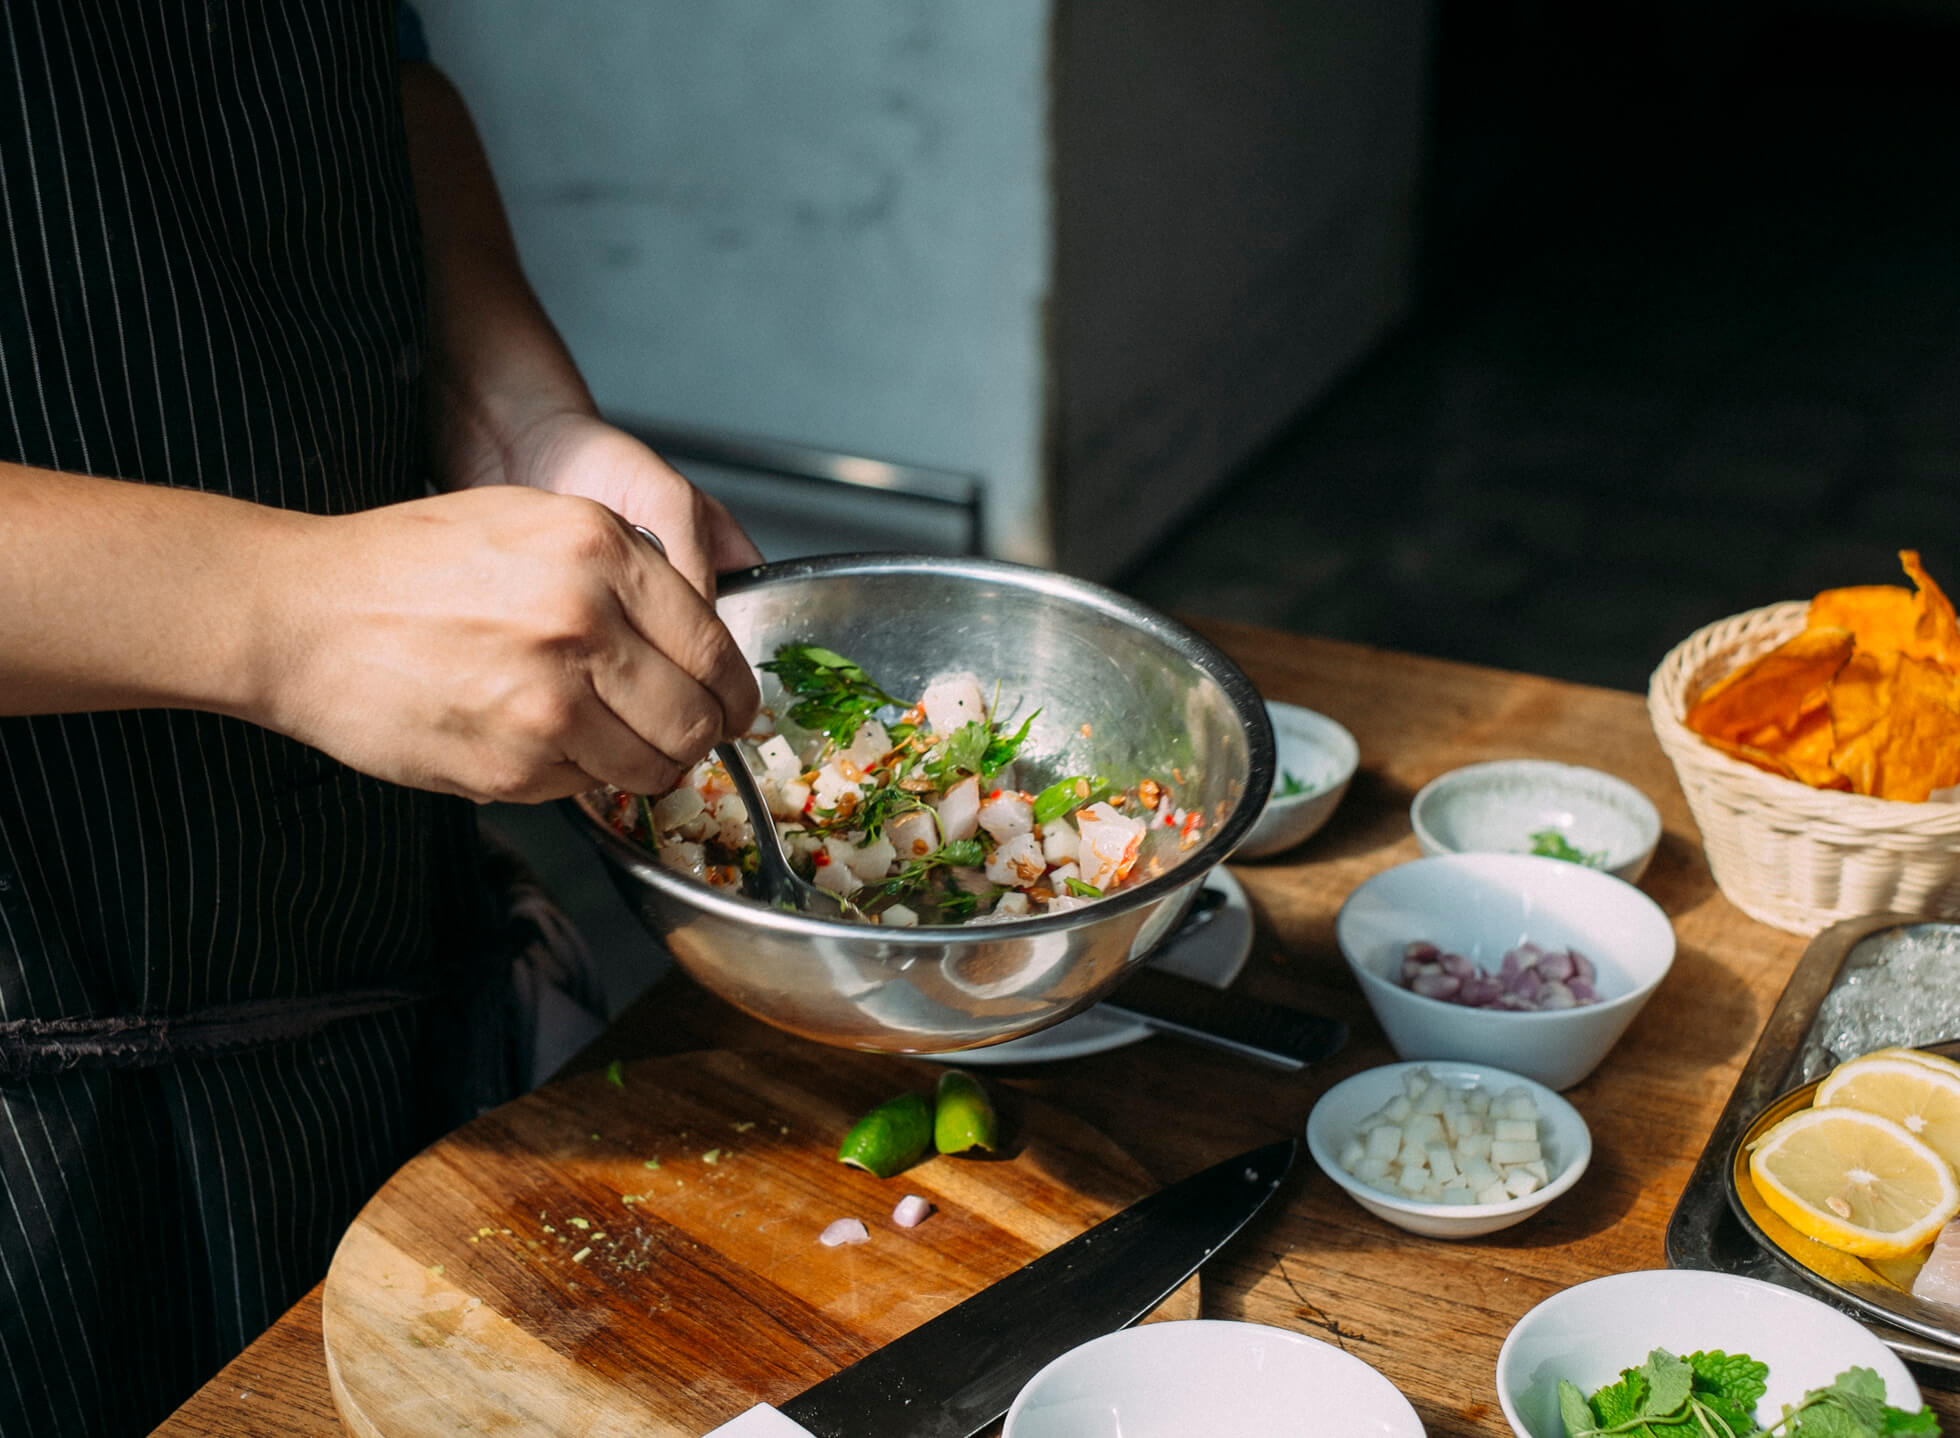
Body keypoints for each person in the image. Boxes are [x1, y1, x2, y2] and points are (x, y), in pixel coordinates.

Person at [0, 4, 761, 1433]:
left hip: (386, 968)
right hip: (34, 1132)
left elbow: (371, 78)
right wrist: (284, 613)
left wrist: (527, 426)